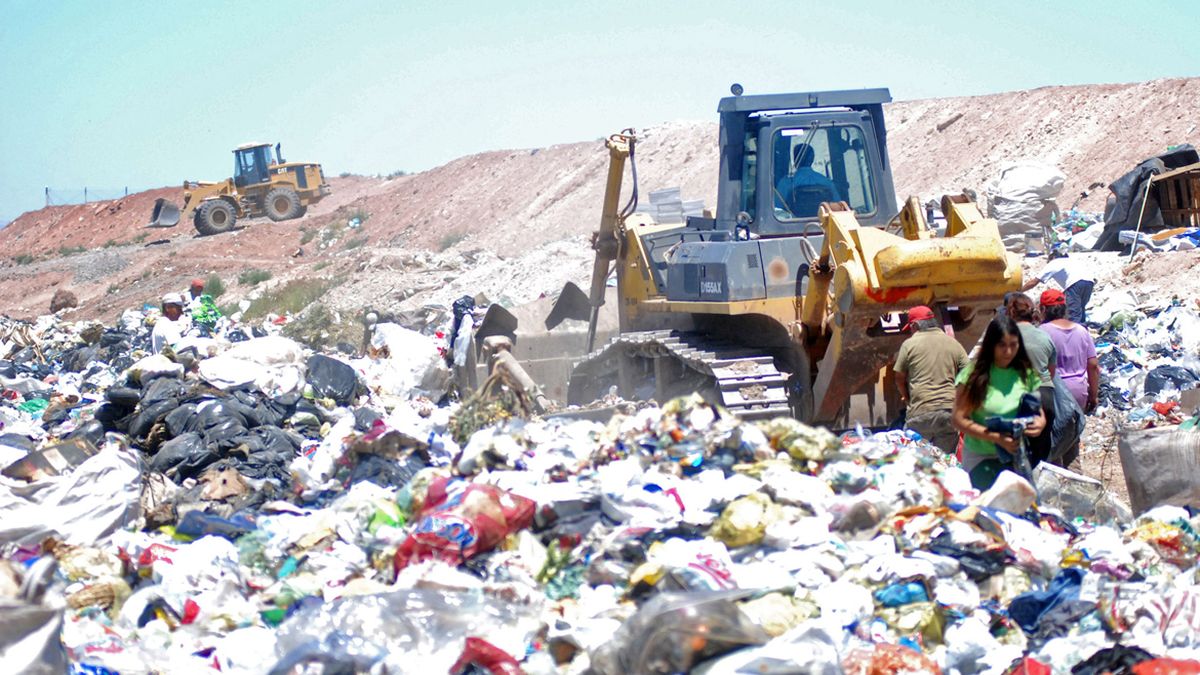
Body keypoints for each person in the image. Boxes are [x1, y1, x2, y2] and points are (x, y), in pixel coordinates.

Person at [952, 316, 1046, 489]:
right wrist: (996, 438)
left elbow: (1037, 409)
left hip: (1017, 456)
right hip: (981, 458)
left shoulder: (1025, 373)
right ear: (991, 345)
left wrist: (1040, 422)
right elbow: (959, 419)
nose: (1008, 352)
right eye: (1002, 345)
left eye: (1013, 345)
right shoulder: (973, 375)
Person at [893, 305, 969, 454]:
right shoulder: (953, 343)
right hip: (949, 414)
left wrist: (908, 398)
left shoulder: (909, 345)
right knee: (944, 460)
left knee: (915, 460)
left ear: (915, 325)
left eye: (910, 328)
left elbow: (899, 377)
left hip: (920, 414)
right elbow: (969, 374)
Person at [1005, 293, 1058, 465]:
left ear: (1010, 313)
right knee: (1042, 453)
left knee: (1016, 453)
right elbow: (1051, 372)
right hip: (1045, 394)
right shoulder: (1044, 336)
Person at [1039, 289, 1099, 414]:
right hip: (1079, 393)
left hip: (1054, 392)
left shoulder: (1041, 332)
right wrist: (1093, 396)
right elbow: (1093, 365)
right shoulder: (1082, 331)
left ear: (1043, 309)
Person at [1022, 253, 1096, 324]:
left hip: (1075, 283)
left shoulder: (1054, 263)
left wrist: (1019, 291)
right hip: (1089, 282)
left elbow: (1034, 282)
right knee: (1080, 309)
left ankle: (1073, 330)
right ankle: (1083, 329)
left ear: (1053, 258)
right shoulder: (1070, 261)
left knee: (1072, 313)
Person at [775, 143, 841, 217]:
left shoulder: (786, 183)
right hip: (823, 223)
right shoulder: (826, 182)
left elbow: (777, 210)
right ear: (812, 159)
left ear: (794, 159)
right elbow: (838, 207)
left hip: (793, 224)